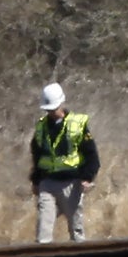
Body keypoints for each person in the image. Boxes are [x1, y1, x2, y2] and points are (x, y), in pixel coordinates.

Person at [29, 82, 100, 243]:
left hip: (71, 184)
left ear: (61, 103)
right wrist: (35, 180)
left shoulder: (77, 125)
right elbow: (37, 155)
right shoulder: (41, 127)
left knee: (76, 231)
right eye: (48, 110)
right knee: (43, 232)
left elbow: (91, 154)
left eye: (53, 109)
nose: (51, 112)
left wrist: (87, 177)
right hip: (47, 183)